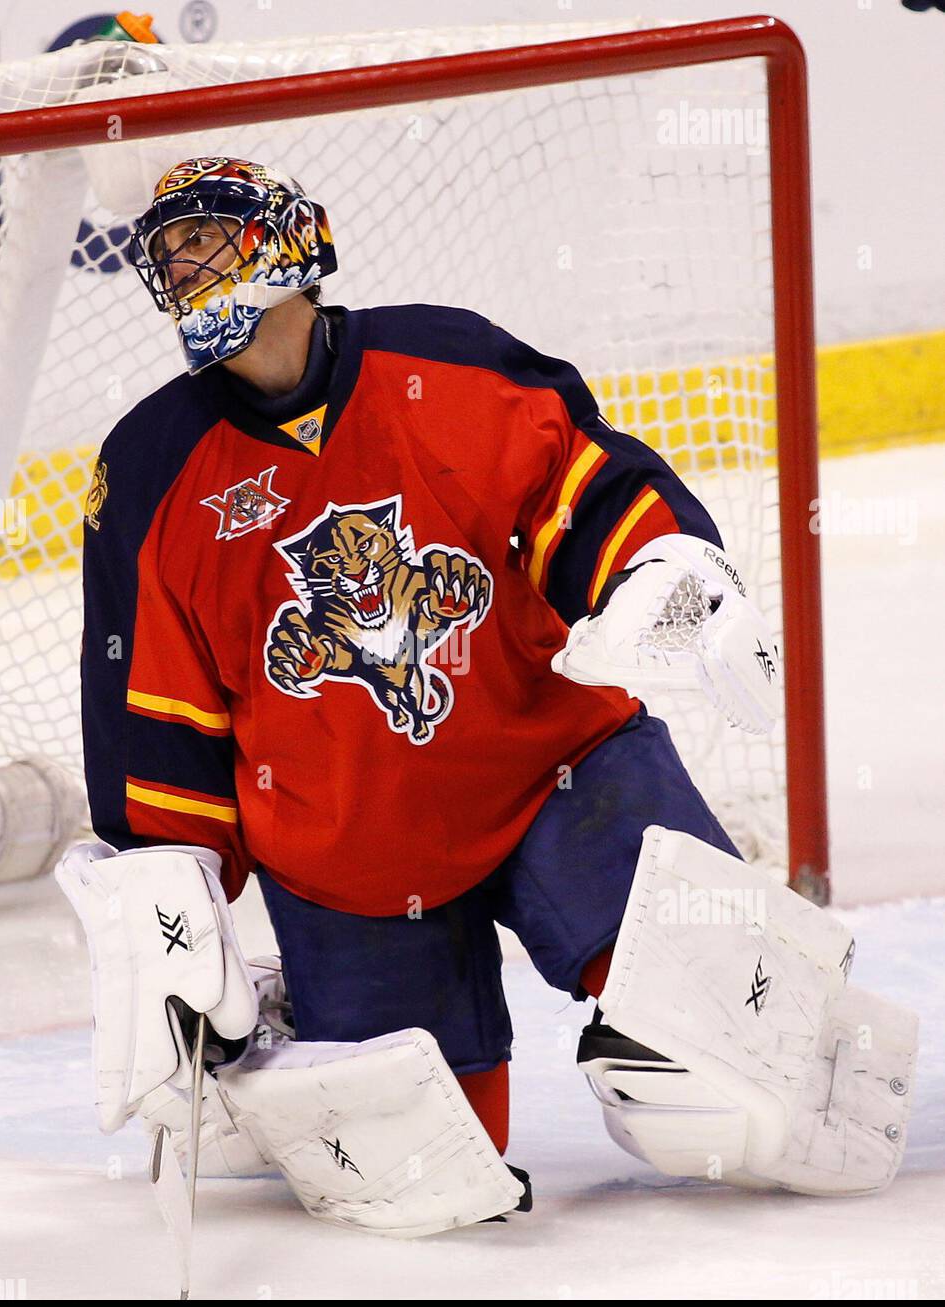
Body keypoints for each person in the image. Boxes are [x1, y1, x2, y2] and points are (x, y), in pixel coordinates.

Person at [73, 158, 911, 1223]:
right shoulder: (151, 470)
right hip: (350, 848)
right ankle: (274, 1052)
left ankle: (772, 1039)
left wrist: (665, 574)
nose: (190, 267)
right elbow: (155, 710)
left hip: (548, 768)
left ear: (293, 245)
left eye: (213, 240)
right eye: (171, 255)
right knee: (422, 1171)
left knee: (713, 1043)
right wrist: (164, 900)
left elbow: (585, 492)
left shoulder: (448, 361)